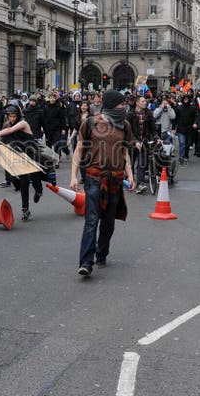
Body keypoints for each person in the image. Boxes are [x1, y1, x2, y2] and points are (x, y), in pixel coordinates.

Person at [70, 90, 135, 278]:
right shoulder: (90, 122)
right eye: (121, 104)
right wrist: (73, 176)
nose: (124, 107)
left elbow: (124, 152)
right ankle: (85, 262)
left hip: (115, 179)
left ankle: (102, 253)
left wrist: (130, 174)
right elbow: (79, 149)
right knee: (91, 220)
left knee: (108, 223)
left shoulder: (125, 125)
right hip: (93, 178)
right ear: (113, 105)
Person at [0, 104, 43, 221]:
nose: (12, 119)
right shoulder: (6, 125)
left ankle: (38, 191)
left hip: (31, 152)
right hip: (19, 155)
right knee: (23, 182)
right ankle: (25, 210)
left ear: (18, 116)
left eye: (14, 116)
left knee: (35, 179)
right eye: (10, 116)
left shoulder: (23, 123)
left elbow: (9, 131)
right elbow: (5, 138)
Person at [127, 95, 157, 194]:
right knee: (130, 163)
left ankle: (140, 184)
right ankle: (130, 181)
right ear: (137, 103)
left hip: (144, 142)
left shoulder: (149, 113)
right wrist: (135, 142)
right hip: (132, 143)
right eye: (143, 101)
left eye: (145, 101)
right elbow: (128, 131)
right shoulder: (130, 114)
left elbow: (153, 129)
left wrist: (156, 137)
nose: (145, 103)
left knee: (141, 164)